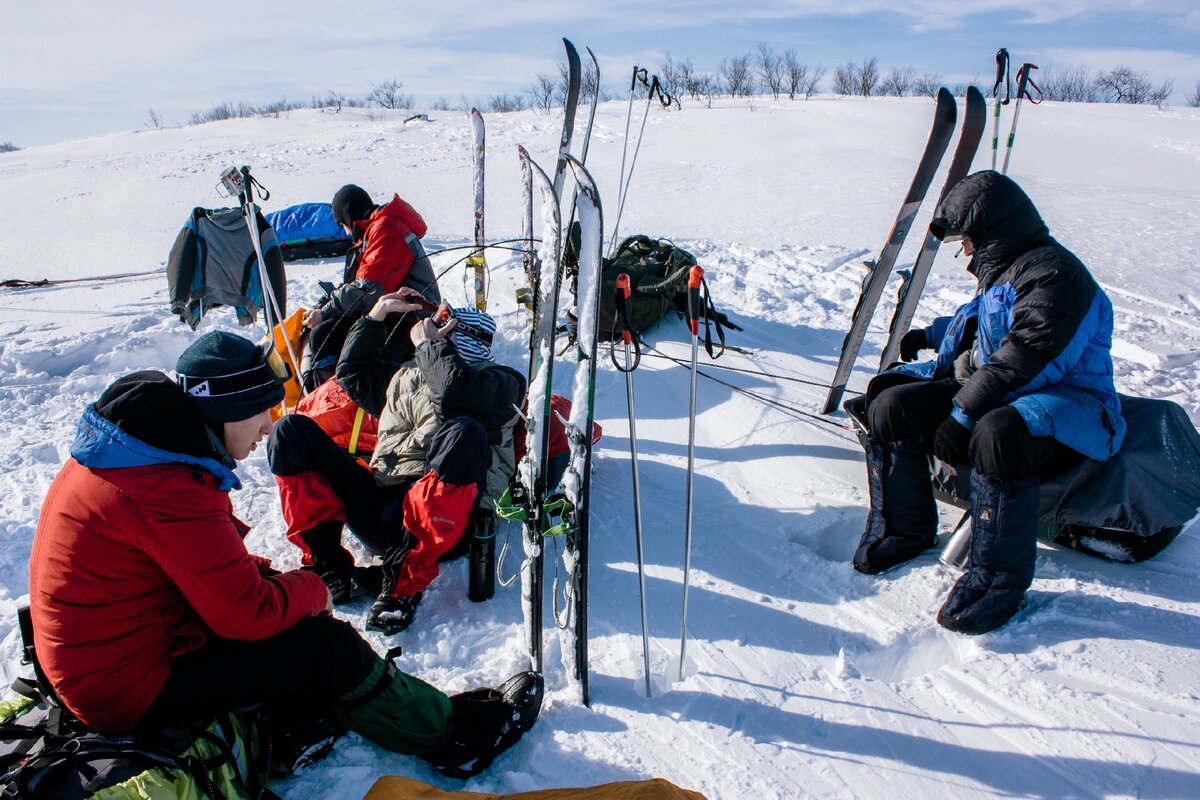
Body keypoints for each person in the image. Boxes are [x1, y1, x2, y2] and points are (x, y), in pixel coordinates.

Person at [27, 330, 540, 775]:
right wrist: (312, 588)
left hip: (109, 656)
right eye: (262, 412)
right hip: (124, 688)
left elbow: (199, 568)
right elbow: (249, 616)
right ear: (226, 409)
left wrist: (278, 587)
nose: (270, 426)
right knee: (326, 646)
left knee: (287, 615)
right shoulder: (167, 485)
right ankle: (451, 736)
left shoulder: (141, 451)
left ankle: (295, 707)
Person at [849, 170, 1126, 635]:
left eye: (967, 242)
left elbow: (1026, 358)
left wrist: (961, 416)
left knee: (996, 431)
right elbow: (977, 322)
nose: (966, 255)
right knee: (890, 405)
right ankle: (902, 530)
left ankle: (997, 579)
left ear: (990, 232)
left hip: (1069, 404)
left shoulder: (1058, 276)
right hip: (1003, 390)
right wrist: (929, 335)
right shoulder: (1010, 272)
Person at [270, 289, 526, 634]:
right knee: (291, 431)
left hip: (446, 524)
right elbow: (353, 376)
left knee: (465, 432)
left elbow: (454, 393)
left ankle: (402, 586)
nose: (428, 328)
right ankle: (328, 566)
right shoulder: (408, 376)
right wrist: (375, 316)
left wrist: (428, 345)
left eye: (442, 325)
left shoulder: (502, 382)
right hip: (386, 504)